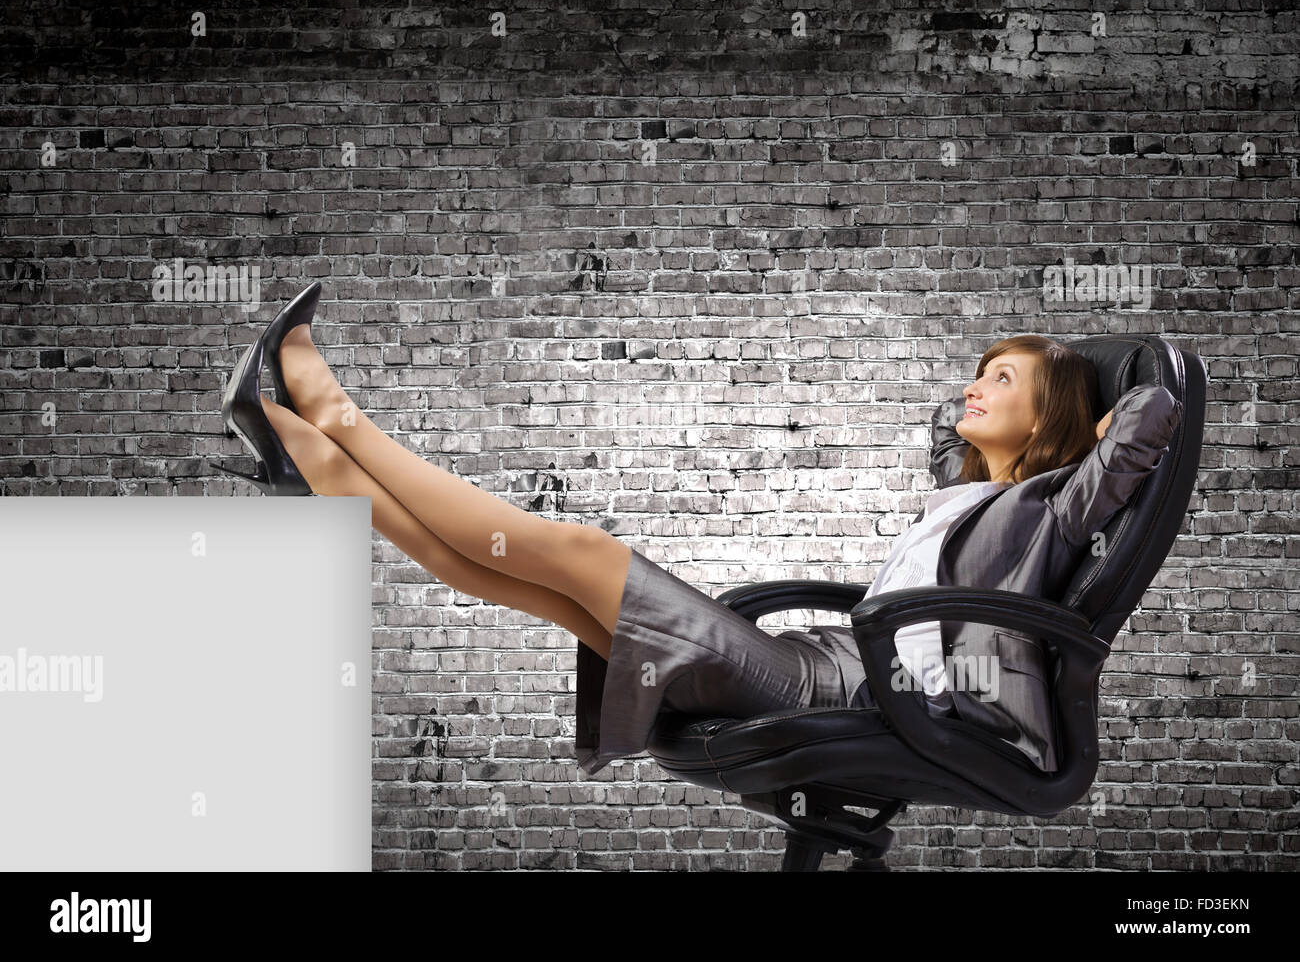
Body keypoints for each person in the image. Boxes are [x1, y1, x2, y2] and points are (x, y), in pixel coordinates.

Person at [211, 284, 1183, 776]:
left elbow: (1153, 408)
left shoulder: (1052, 505)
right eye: (981, 368)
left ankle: (320, 415)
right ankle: (315, 454)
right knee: (530, 581)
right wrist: (1017, 389)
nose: (973, 385)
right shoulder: (957, 495)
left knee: (577, 555)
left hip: (856, 686)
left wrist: (1096, 403)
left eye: (1002, 378)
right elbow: (945, 424)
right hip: (827, 657)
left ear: (1052, 413)